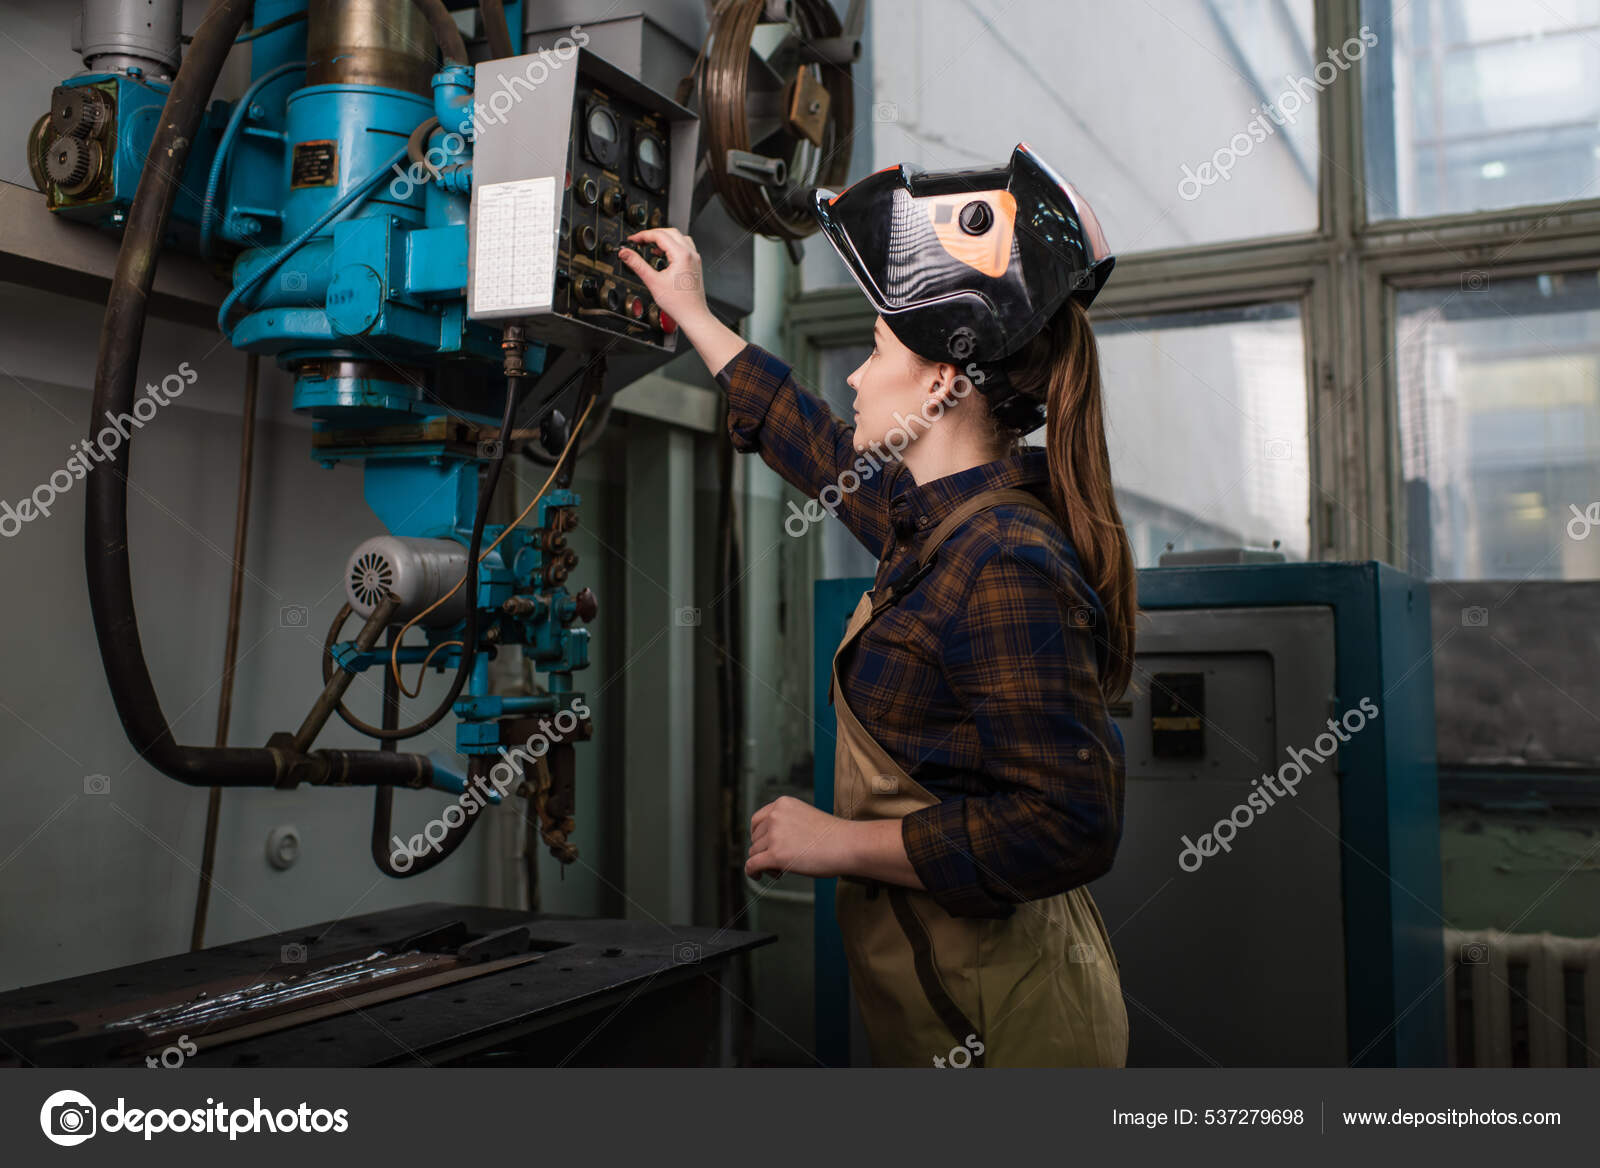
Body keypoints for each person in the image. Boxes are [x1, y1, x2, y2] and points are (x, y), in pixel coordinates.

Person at [618, 142, 1134, 1068]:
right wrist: (692, 312)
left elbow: (1068, 826)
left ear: (941, 382)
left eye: (876, 350)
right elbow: (813, 444)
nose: (854, 377)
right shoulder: (936, 520)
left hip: (1021, 1028)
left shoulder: (1004, 559)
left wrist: (842, 843)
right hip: (954, 1003)